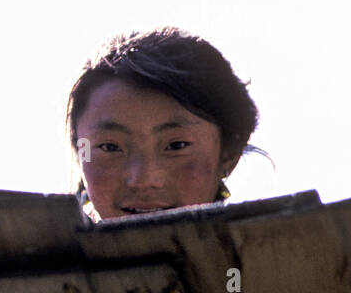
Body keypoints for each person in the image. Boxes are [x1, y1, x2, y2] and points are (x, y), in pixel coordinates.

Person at [66, 27, 262, 221]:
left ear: (228, 154)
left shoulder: (279, 250)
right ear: (80, 154)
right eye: (109, 147)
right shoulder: (41, 251)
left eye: (176, 146)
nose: (143, 180)